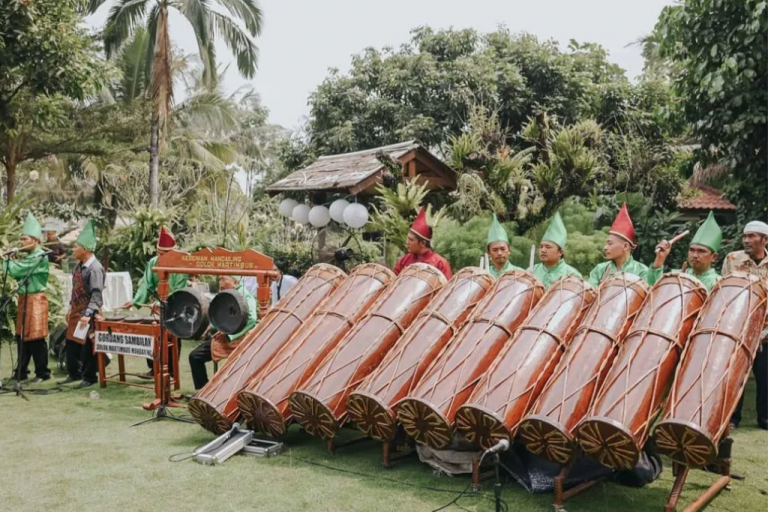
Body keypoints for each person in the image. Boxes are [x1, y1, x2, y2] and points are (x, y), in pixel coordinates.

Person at [121, 226, 188, 376]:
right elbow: (146, 284)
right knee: (151, 334)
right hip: (157, 306)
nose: (161, 256)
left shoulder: (180, 264)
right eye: (159, 253)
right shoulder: (154, 262)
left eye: (164, 253)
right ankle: (153, 369)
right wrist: (135, 301)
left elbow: (179, 290)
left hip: (175, 306)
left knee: (171, 336)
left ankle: (171, 371)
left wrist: (160, 303)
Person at [722, 220, 768, 430]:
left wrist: (763, 333)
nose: (747, 240)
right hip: (737, 330)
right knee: (735, 376)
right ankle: (732, 418)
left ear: (765, 240)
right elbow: (725, 293)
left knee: (765, 377)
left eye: (752, 236)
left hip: (766, 333)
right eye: (745, 236)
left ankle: (765, 419)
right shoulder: (732, 259)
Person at [2, 213, 51, 383]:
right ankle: (21, 371)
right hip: (25, 298)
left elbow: (16, 271)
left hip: (36, 299)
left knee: (36, 337)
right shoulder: (30, 257)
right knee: (21, 336)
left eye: (24, 239)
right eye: (21, 239)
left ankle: (42, 373)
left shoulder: (40, 257)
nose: (21, 243)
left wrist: (8, 260)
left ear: (35, 240)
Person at [188, 275, 257, 390]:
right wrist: (211, 327)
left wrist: (230, 335)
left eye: (224, 279)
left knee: (238, 366)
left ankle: (211, 391)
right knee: (195, 356)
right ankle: (204, 390)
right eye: (219, 279)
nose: (220, 283)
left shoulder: (244, 294)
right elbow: (222, 315)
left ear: (234, 282)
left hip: (240, 339)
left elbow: (252, 320)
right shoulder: (227, 294)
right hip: (224, 336)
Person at [58, 221, 105, 388]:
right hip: (76, 311)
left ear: (85, 249)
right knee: (71, 343)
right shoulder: (78, 266)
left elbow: (96, 295)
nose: (73, 250)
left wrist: (87, 315)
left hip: (88, 313)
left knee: (86, 346)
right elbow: (75, 290)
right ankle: (74, 373)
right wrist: (70, 308)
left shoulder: (95, 269)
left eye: (75, 247)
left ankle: (89, 377)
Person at [647, 211, 722, 291]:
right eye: (692, 250)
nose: (695, 255)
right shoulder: (677, 275)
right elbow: (654, 287)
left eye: (701, 251)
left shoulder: (719, 283)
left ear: (714, 257)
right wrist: (660, 258)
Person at [587, 203, 649, 287]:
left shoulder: (642, 271)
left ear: (625, 246)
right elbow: (588, 294)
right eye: (606, 243)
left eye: (610, 243)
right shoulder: (600, 270)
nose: (605, 248)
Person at [393, 207, 452, 280]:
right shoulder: (404, 260)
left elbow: (446, 289)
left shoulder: (440, 263)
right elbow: (392, 282)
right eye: (408, 239)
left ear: (422, 243)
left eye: (411, 240)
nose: (407, 242)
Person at [531, 212, 583, 288]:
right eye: (541, 247)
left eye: (548, 247)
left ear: (560, 252)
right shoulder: (532, 270)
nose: (543, 250)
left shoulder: (571, 274)